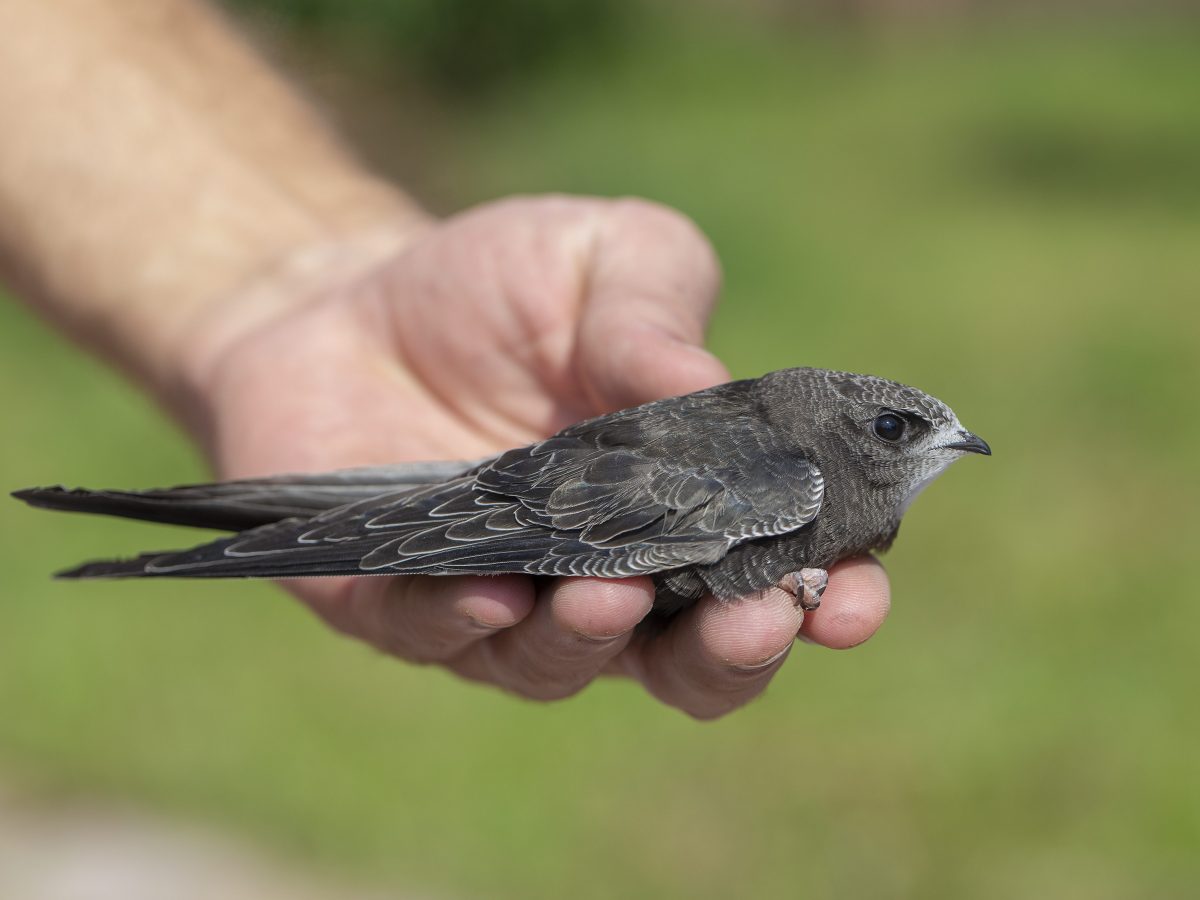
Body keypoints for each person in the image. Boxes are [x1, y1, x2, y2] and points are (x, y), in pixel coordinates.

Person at [0, 0, 890, 719]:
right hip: (535, 491)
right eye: (901, 430)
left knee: (587, 597)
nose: (945, 447)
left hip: (533, 483)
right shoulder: (786, 473)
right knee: (528, 575)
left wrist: (283, 285)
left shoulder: (834, 483)